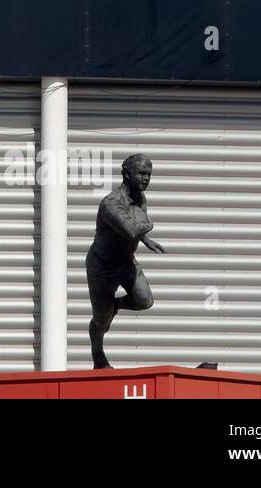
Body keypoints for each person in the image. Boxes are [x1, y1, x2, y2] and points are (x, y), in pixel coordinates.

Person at [86, 153, 166, 369]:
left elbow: (137, 227)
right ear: (125, 173)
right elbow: (131, 229)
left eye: (149, 175)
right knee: (101, 320)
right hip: (102, 267)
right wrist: (149, 227)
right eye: (141, 173)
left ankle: (116, 305)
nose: (146, 179)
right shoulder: (111, 204)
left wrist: (146, 240)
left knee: (144, 300)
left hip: (126, 263)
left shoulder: (140, 198)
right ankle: (98, 355)